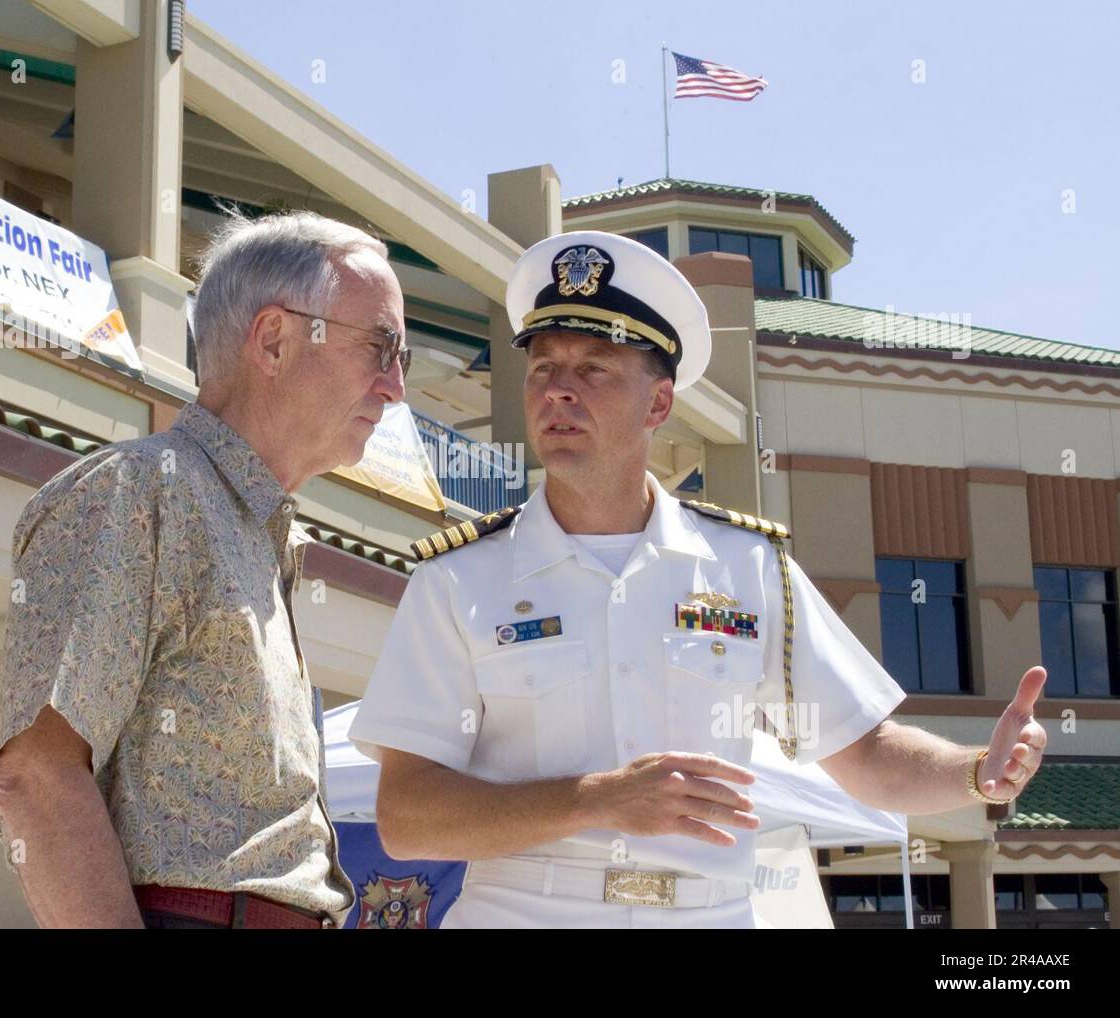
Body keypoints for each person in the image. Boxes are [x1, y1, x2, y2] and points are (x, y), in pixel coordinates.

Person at [348, 229, 1046, 929]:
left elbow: (864, 753)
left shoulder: (747, 568)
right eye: (543, 369)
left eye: (593, 368)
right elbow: (408, 817)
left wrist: (976, 769)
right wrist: (594, 799)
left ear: (658, 405)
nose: (557, 390)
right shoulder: (457, 579)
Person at [0, 209, 408, 928]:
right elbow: (36, 775)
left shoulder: (248, 527)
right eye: (381, 346)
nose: (396, 386)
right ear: (274, 340)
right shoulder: (138, 493)